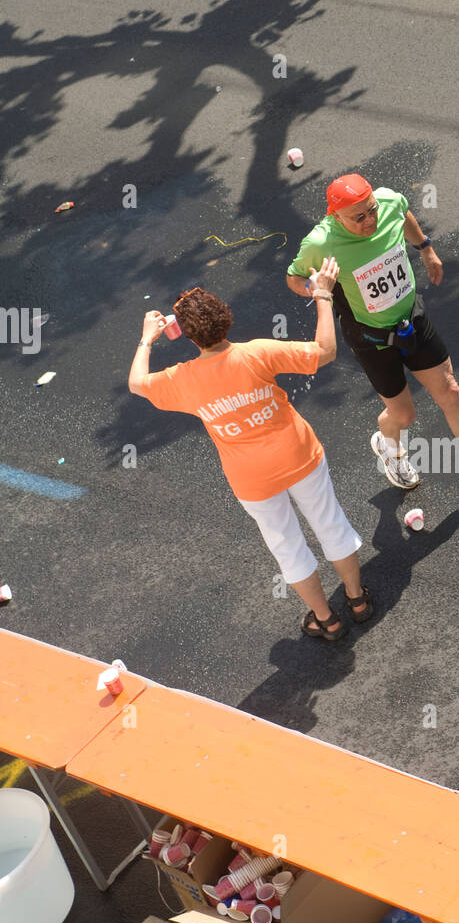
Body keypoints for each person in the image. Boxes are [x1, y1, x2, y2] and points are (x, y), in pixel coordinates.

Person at [127, 263, 371, 641]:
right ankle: (357, 600)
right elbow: (325, 351)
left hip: (252, 480)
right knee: (330, 523)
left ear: (190, 338)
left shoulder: (183, 379)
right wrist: (323, 295)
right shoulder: (257, 353)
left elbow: (138, 384)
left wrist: (146, 339)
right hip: (300, 455)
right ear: (226, 319)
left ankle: (326, 619)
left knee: (287, 545)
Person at [284, 174, 459, 495]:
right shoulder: (321, 243)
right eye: (358, 217)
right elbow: (293, 277)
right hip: (371, 338)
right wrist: (316, 289)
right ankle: (389, 448)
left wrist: (425, 248)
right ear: (335, 215)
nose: (370, 220)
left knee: (452, 392)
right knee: (403, 415)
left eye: (371, 210)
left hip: (411, 318)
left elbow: (403, 213)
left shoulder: (388, 200)